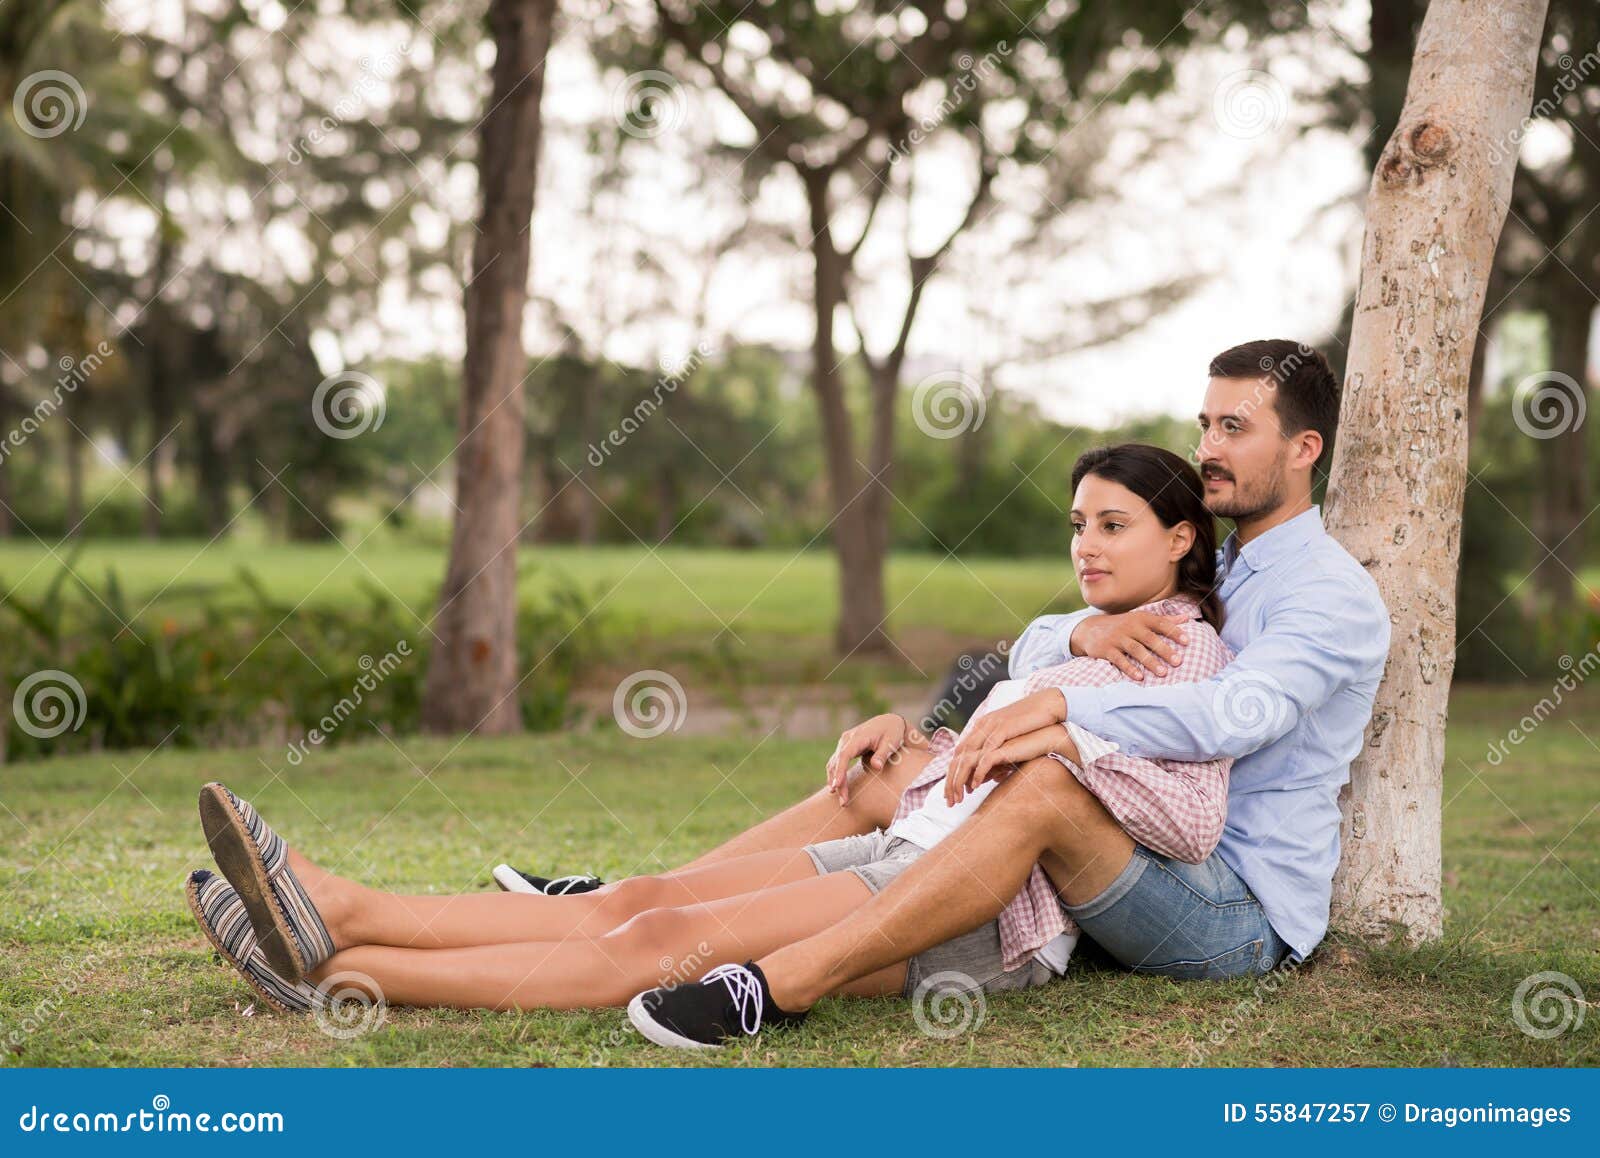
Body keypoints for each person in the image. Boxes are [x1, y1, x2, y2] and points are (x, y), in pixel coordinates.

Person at [183, 445, 1233, 1031]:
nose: (1086, 546)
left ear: (1180, 537)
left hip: (976, 915)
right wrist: (937, 735)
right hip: (911, 842)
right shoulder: (1093, 633)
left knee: (649, 948)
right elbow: (1003, 728)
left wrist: (1060, 745)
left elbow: (1185, 820)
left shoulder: (1185, 652)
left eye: (1113, 526)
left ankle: (336, 958)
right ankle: (335, 920)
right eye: (1078, 524)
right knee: (642, 902)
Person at [629, 338, 1392, 1049]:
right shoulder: (1216, 565)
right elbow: (1032, 654)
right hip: (1131, 850)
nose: (1209, 450)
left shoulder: (1327, 592)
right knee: (899, 763)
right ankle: (644, 896)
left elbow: (1233, 716)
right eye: (1206, 425)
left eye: (1234, 427)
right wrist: (1080, 634)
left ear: (1303, 449)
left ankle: (783, 984)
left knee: (1045, 785)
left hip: (1231, 908)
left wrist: (1063, 713)